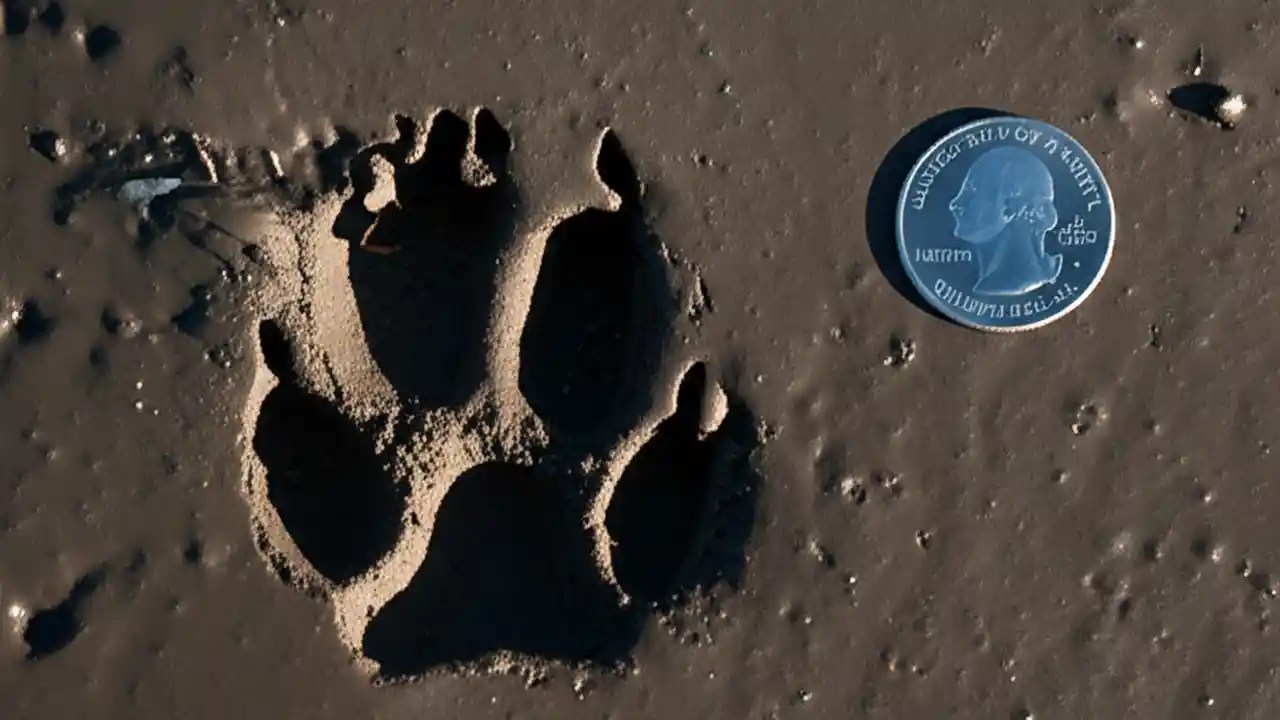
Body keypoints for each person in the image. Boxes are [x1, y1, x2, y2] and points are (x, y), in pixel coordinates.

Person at [948, 146, 1062, 295]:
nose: (955, 204)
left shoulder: (1014, 282)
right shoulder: (992, 281)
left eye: (973, 190)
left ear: (1016, 207)